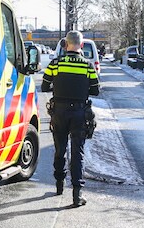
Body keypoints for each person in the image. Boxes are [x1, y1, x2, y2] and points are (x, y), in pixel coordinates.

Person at [40, 30, 100, 207]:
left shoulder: (56, 63)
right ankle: (77, 194)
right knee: (77, 152)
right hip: (80, 113)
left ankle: (59, 184)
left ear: (65, 45)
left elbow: (44, 86)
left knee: (60, 149)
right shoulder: (87, 65)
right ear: (81, 45)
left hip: (59, 111)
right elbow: (96, 90)